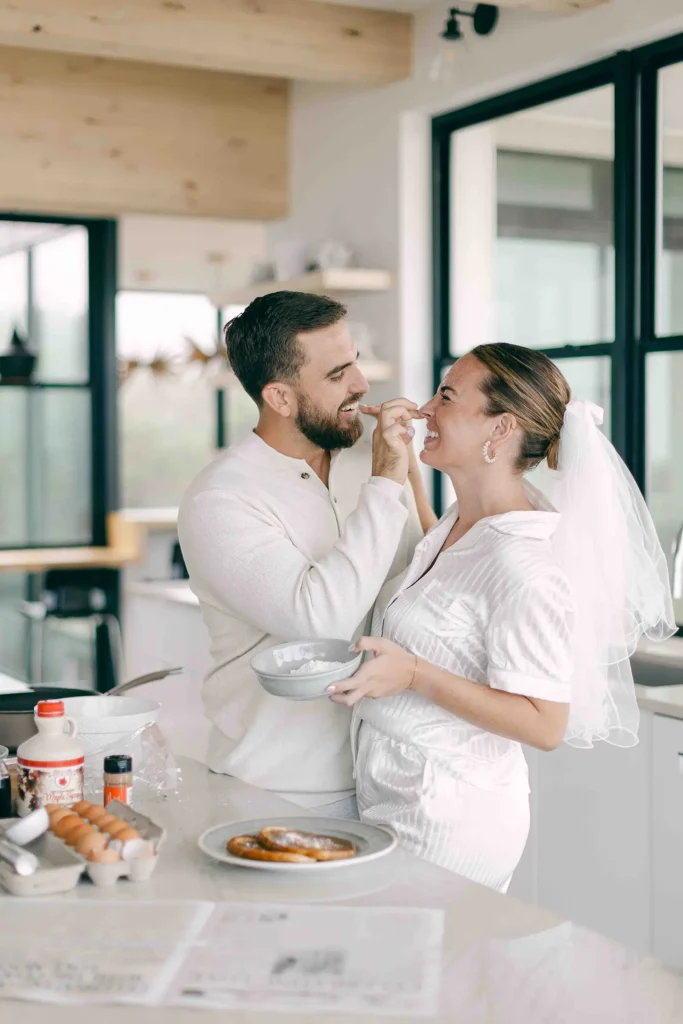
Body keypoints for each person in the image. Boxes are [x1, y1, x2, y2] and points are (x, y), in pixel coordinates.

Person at [330, 343, 675, 891]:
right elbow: (441, 578)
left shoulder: (524, 565)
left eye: (446, 395)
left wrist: (415, 673)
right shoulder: (463, 522)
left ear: (500, 429)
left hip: (447, 821)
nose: (423, 409)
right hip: (393, 798)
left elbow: (544, 724)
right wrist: (401, 469)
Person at [177, 291, 423, 812]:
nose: (361, 384)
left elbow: (417, 587)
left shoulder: (372, 462)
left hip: (389, 781)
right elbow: (320, 619)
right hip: (272, 791)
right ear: (280, 398)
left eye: (355, 361)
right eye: (338, 375)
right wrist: (386, 483)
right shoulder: (221, 499)